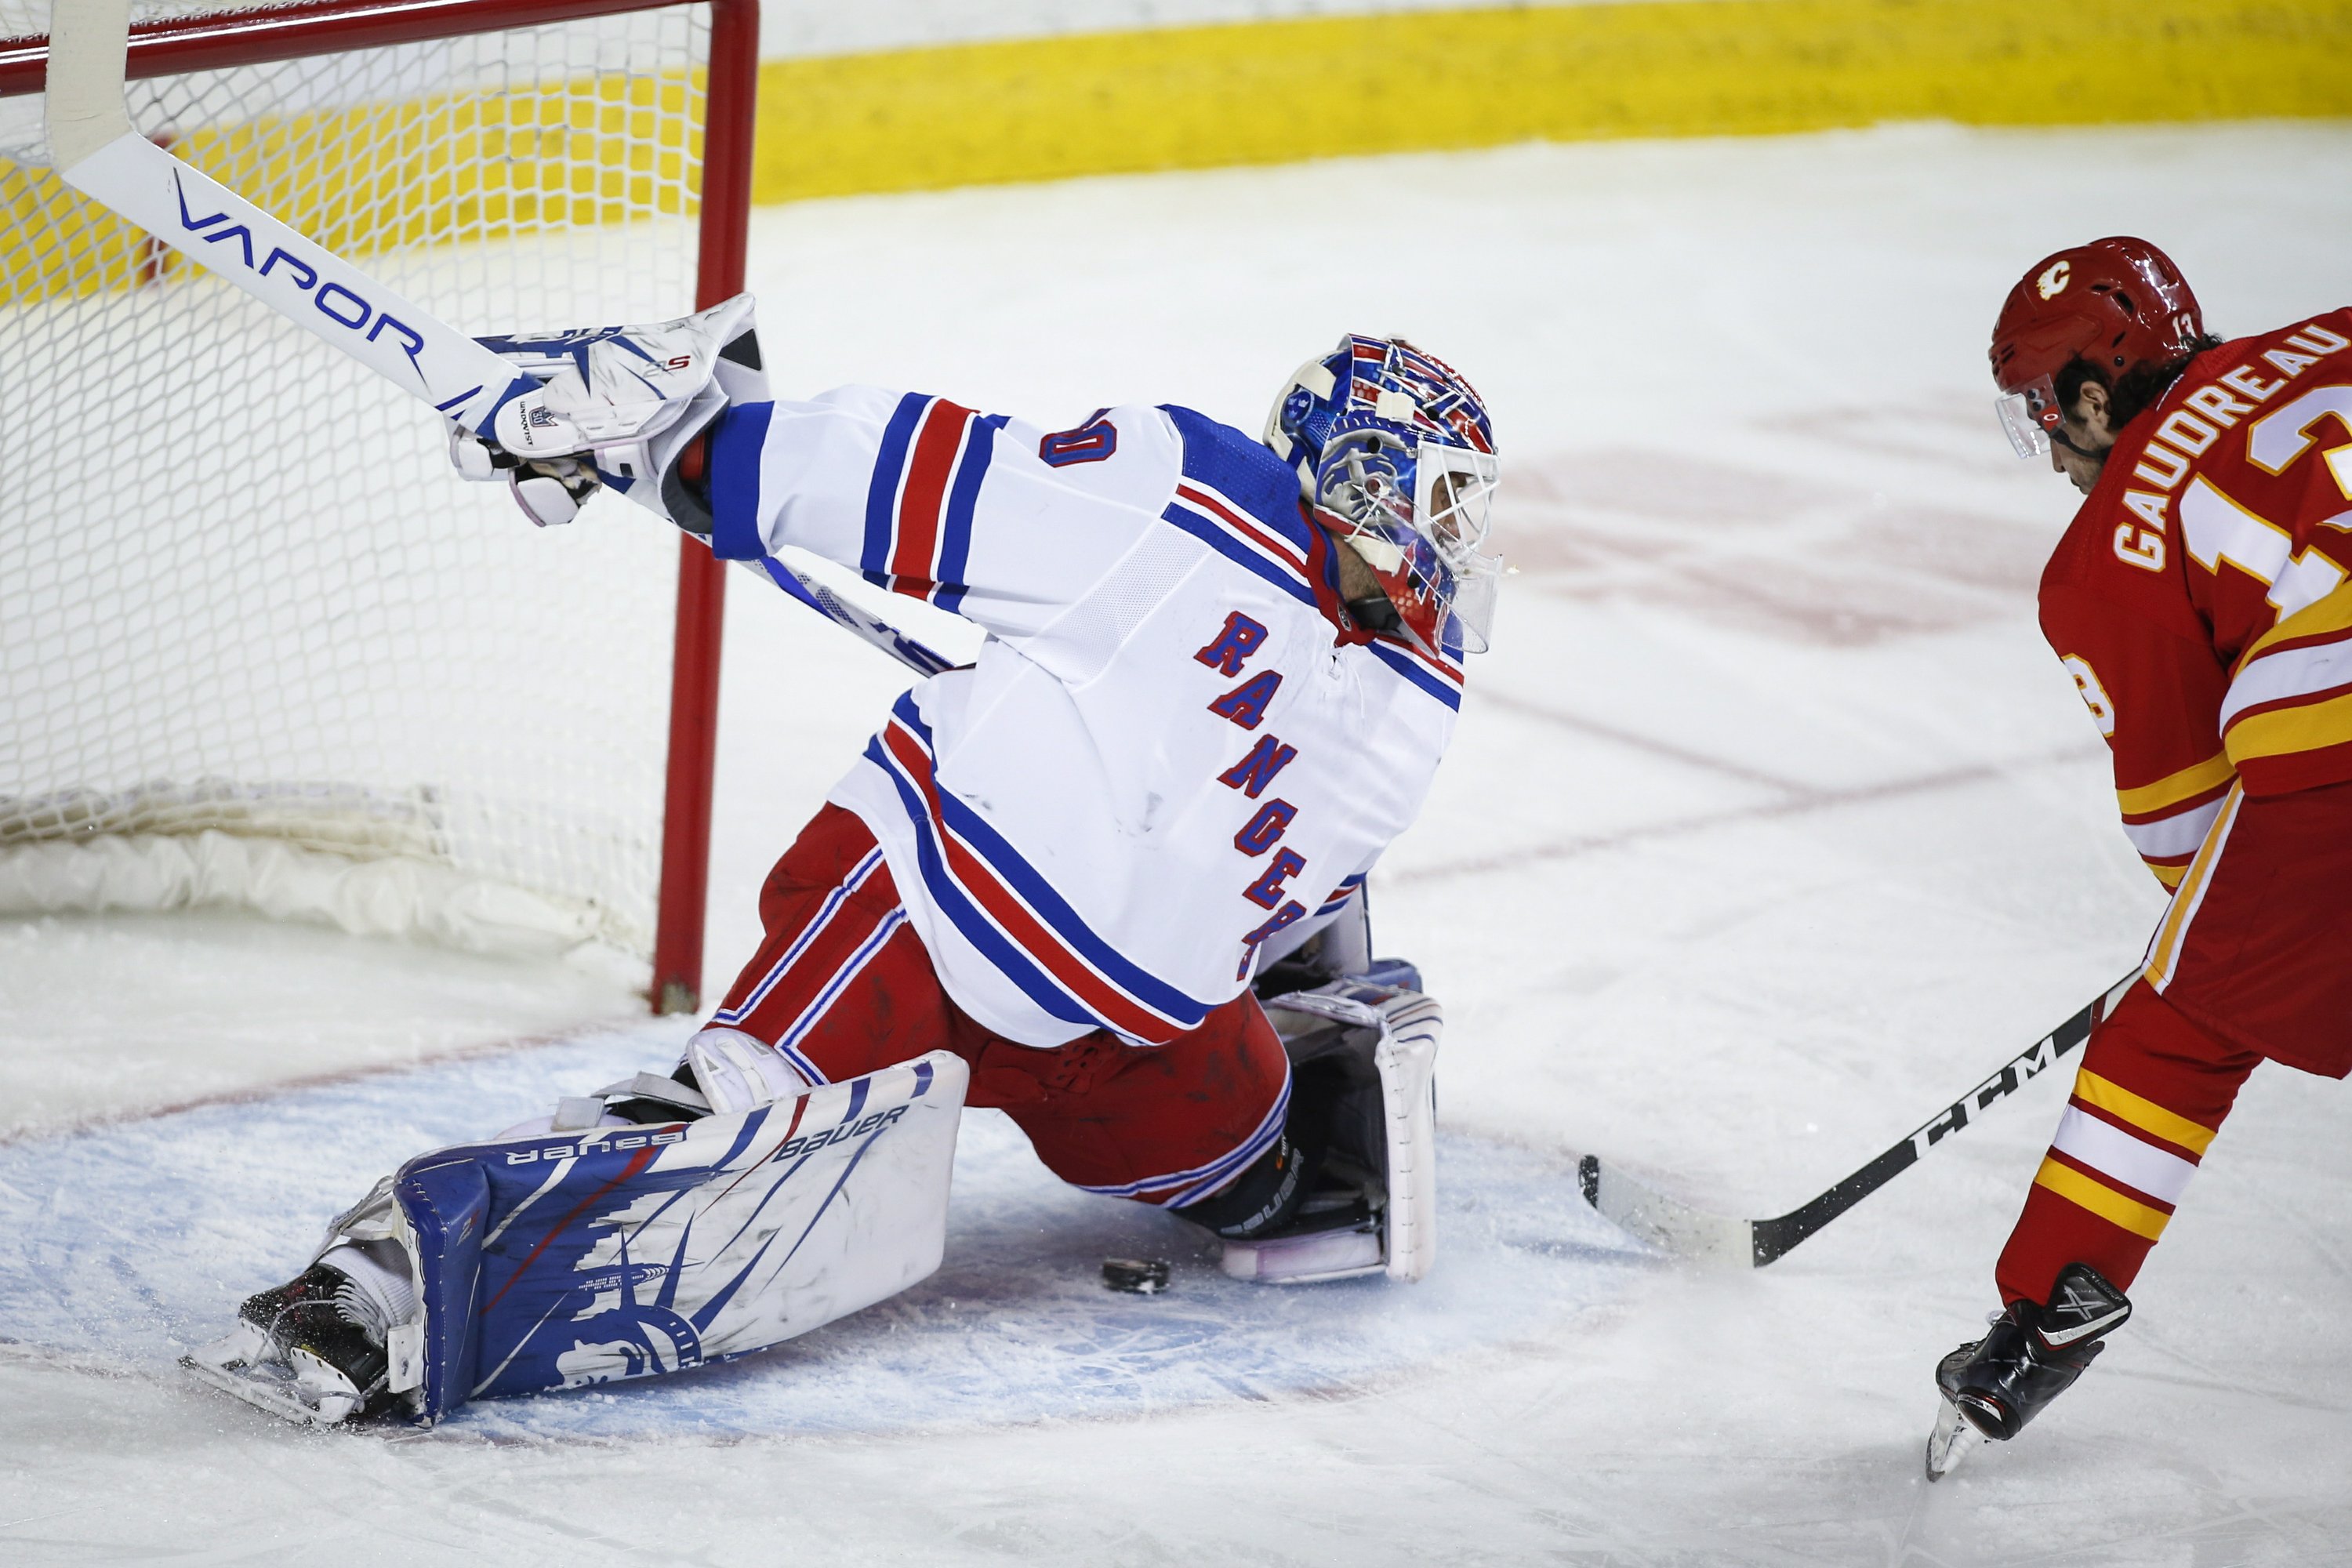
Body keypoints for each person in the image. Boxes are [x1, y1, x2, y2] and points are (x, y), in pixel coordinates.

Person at [199, 305, 1502, 1422]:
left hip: (1137, 1036)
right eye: (1444, 493)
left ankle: (1269, 1156)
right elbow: (919, 475)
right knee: (716, 1135)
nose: (1458, 535)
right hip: (933, 919)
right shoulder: (1191, 496)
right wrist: (706, 450)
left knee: (1271, 1173)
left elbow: (1293, 892)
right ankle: (376, 1297)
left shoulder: (1420, 691)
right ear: (1359, 468)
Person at [1936, 237, 2352, 1450]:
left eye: (2044, 414)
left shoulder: (2106, 551)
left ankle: (2044, 1318)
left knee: (2178, 1031)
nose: (2054, 451)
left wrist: (2207, 950)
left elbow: (2185, 830)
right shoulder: (2330, 332)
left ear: (2092, 391)